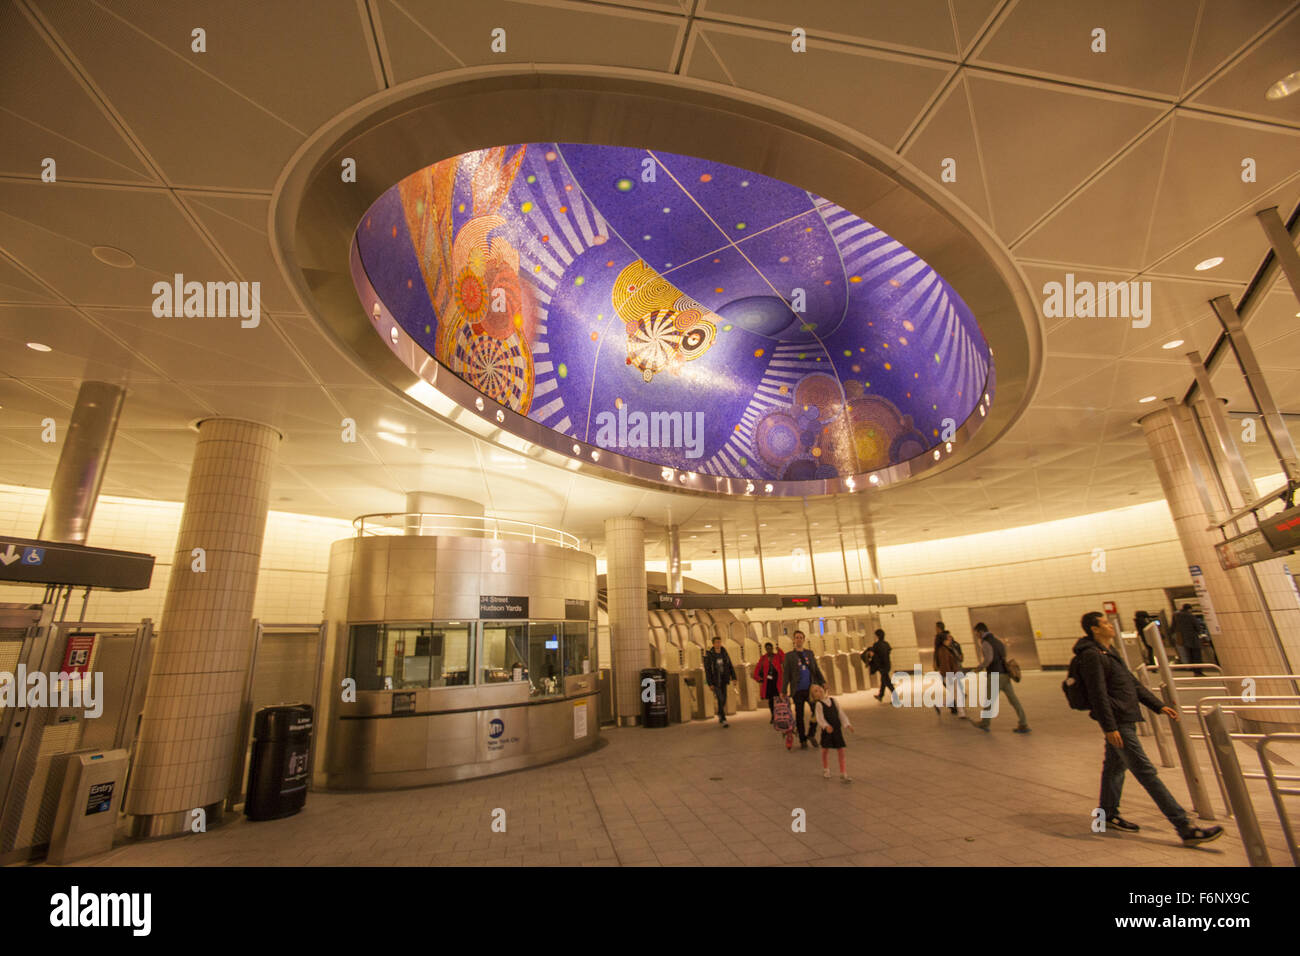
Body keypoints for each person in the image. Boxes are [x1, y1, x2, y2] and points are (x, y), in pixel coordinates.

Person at [1075, 611, 1223, 846]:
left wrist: (1158, 706)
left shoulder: (1108, 651)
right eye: (1104, 623)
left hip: (1124, 718)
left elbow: (1132, 683)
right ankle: (1184, 827)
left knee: (1114, 769)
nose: (1110, 626)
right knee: (1146, 772)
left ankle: (1108, 815)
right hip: (1118, 722)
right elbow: (1098, 694)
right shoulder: (1092, 655)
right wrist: (1109, 726)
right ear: (1094, 628)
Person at [972, 622, 1031, 733]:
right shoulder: (998, 641)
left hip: (994, 675)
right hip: (1005, 675)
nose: (976, 636)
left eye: (976, 633)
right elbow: (1003, 656)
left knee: (989, 700)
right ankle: (1023, 723)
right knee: (1014, 700)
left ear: (981, 631)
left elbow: (988, 659)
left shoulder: (985, 643)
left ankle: (985, 723)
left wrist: (979, 668)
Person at [781, 630, 825, 749]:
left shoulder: (809, 654)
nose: (799, 639)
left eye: (801, 637)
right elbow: (786, 675)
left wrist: (823, 682)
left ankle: (811, 734)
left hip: (811, 690)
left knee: (816, 711)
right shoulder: (789, 656)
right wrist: (783, 690)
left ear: (804, 640)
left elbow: (816, 670)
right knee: (799, 715)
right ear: (794, 640)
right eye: (796, 637)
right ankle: (802, 739)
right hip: (798, 690)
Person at [810, 683, 854, 782]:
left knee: (841, 751)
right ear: (814, 696)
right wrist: (825, 726)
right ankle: (826, 769)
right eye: (815, 691)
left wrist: (847, 724)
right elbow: (819, 718)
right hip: (827, 732)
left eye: (819, 688)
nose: (819, 691)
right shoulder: (819, 705)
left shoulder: (833, 701)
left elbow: (840, 713)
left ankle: (843, 772)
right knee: (825, 750)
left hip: (837, 730)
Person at [703, 635, 736, 728]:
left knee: (724, 699)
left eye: (719, 642)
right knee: (720, 698)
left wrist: (733, 677)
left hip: (724, 679)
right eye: (717, 643)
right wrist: (710, 683)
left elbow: (730, 665)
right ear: (713, 644)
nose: (718, 644)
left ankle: (720, 714)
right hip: (715, 680)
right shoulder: (709, 654)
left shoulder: (724, 653)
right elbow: (707, 670)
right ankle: (724, 718)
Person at [752, 641, 786, 723]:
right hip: (768, 682)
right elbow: (758, 668)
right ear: (765, 649)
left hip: (777, 681)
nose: (769, 650)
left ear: (772, 648)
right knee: (771, 700)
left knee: (779, 698)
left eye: (770, 648)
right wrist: (757, 678)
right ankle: (773, 716)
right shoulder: (763, 658)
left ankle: (780, 715)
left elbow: (783, 658)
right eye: (767, 648)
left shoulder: (777, 656)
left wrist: (780, 650)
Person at [934, 628, 964, 715]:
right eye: (948, 638)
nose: (950, 639)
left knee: (956, 693)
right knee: (957, 693)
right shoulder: (943, 651)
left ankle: (960, 712)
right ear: (944, 641)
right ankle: (961, 713)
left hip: (951, 674)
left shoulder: (947, 649)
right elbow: (945, 665)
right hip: (949, 675)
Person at [1170, 604, 1204, 676]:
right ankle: (1198, 671)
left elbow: (1172, 627)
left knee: (1190, 655)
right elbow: (1197, 627)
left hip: (1183, 639)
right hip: (1193, 638)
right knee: (1197, 656)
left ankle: (1193, 670)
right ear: (1189, 609)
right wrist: (1200, 632)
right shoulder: (1190, 616)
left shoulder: (1176, 616)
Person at [863, 629, 894, 701]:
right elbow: (888, 652)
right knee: (884, 680)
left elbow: (872, 655)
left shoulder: (876, 645)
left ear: (877, 636)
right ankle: (880, 695)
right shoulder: (886, 644)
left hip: (881, 666)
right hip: (887, 665)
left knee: (888, 682)